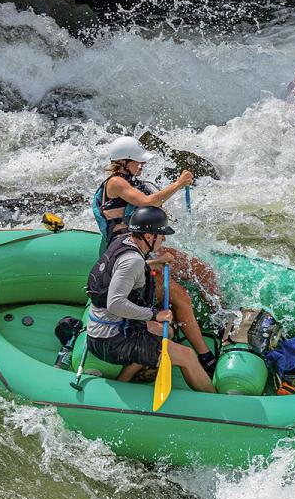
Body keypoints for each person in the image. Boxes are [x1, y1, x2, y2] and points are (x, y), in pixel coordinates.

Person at [92, 137, 223, 374]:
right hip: (126, 254)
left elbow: (152, 207)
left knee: (201, 268)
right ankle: (204, 356)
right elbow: (148, 201)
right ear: (123, 162)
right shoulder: (116, 183)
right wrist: (179, 183)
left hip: (146, 248)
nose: (142, 165)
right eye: (138, 161)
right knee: (179, 296)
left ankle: (223, 321)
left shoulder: (132, 181)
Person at [85, 206, 216, 391]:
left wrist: (154, 263)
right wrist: (154, 314)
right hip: (112, 341)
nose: (163, 239)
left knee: (167, 332)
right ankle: (215, 403)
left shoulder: (123, 241)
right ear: (148, 236)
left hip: (107, 331)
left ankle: (124, 380)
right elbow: (115, 303)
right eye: (161, 235)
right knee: (187, 356)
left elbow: (125, 271)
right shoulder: (133, 261)